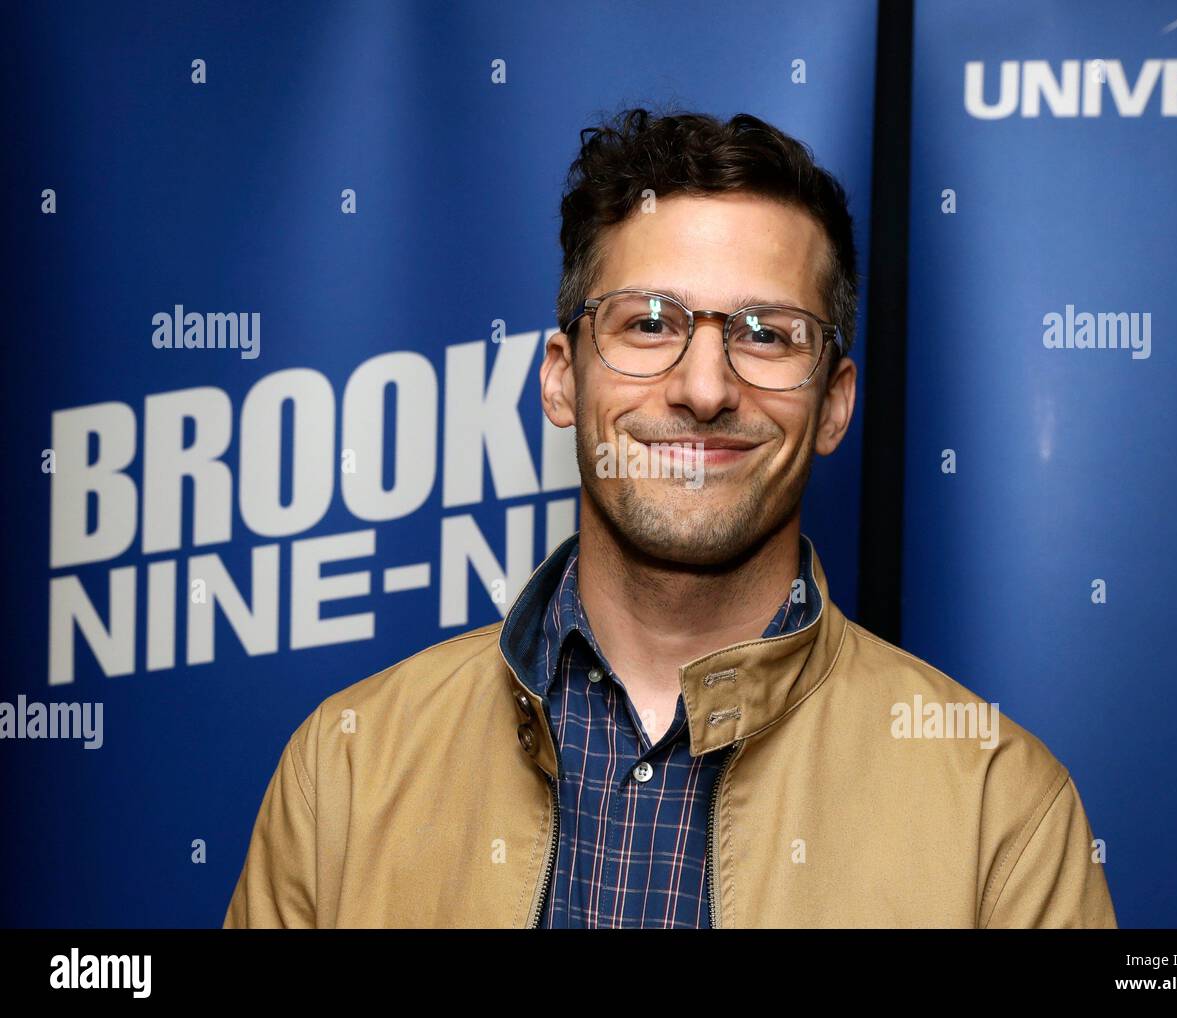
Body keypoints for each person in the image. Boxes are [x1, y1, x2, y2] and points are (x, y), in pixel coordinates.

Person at [223, 107, 1117, 928]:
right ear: (562, 377)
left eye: (767, 333)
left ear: (836, 404)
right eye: (649, 323)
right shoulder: (342, 774)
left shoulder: (1002, 816)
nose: (703, 388)